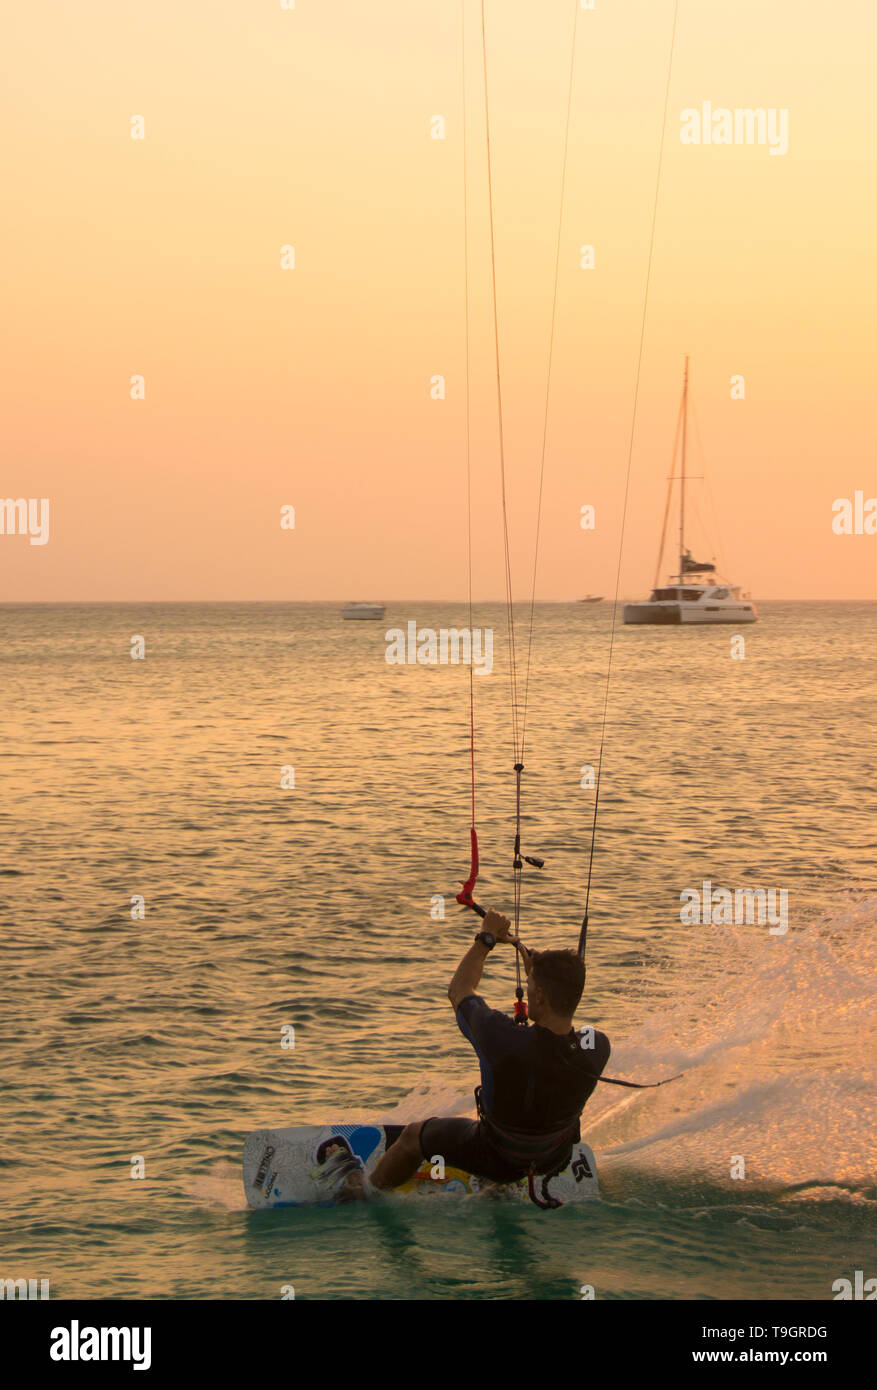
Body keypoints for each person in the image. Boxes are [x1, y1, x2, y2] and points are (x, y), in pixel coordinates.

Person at [316, 908, 610, 1201]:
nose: (529, 988)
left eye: (531, 986)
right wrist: (540, 975)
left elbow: (459, 989)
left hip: (494, 1156)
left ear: (542, 996)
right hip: (550, 1157)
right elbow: (556, 1039)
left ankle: (364, 1191)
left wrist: (486, 939)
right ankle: (500, 1188)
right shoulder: (597, 1047)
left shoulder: (501, 1037)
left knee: (412, 1137)